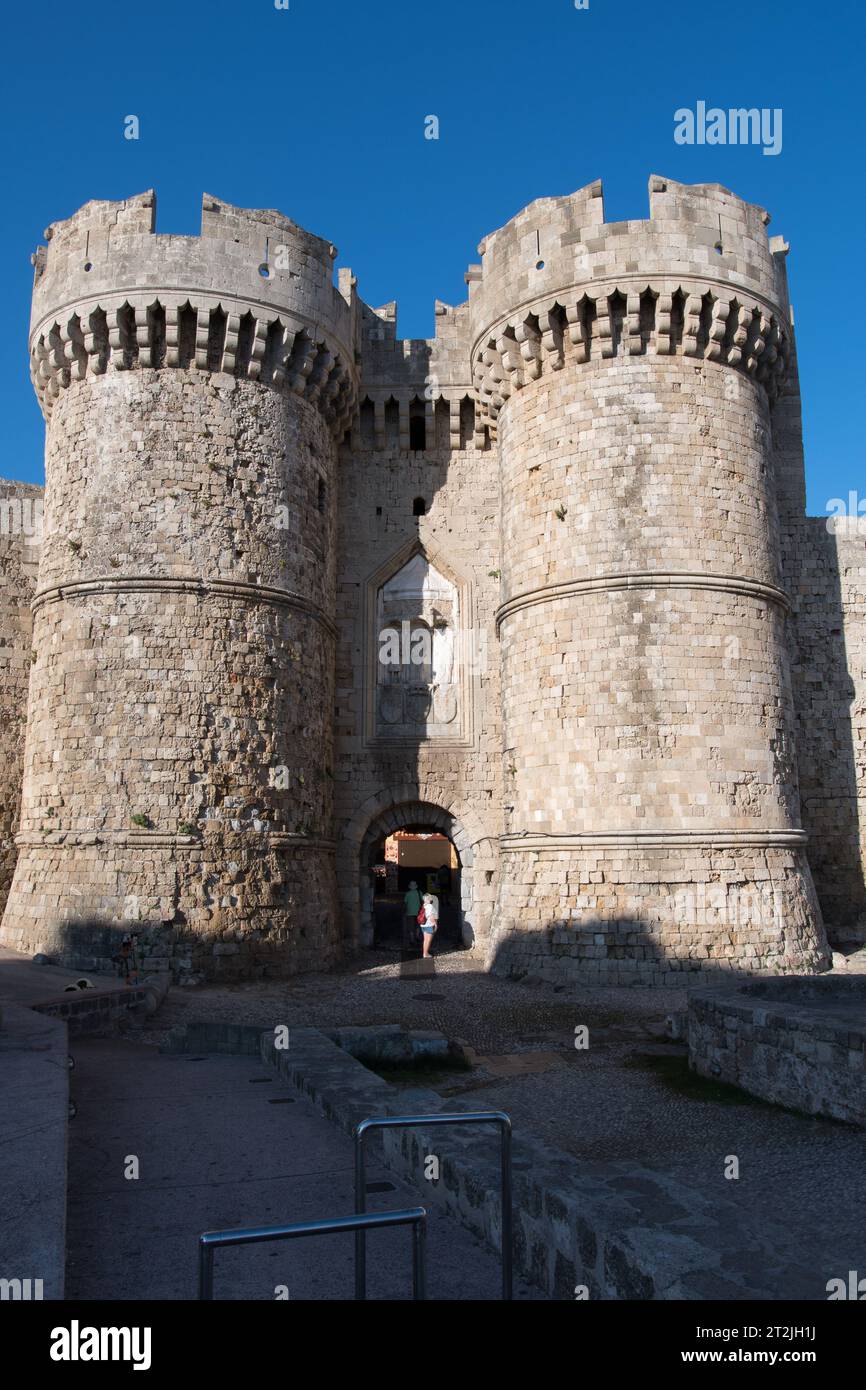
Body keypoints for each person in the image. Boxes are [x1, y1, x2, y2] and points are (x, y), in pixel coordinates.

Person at [403, 880, 422, 948]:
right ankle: (417, 936)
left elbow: (405, 903)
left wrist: (403, 911)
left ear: (410, 887)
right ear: (416, 886)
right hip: (418, 912)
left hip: (409, 912)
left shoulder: (407, 894)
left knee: (411, 926)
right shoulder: (419, 893)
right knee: (418, 925)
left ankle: (412, 939)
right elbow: (422, 901)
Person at [420, 892, 439, 958]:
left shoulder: (423, 905)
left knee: (425, 940)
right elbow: (431, 917)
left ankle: (424, 952)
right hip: (429, 925)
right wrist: (435, 924)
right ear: (429, 899)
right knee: (428, 940)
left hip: (423, 925)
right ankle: (426, 954)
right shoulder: (430, 906)